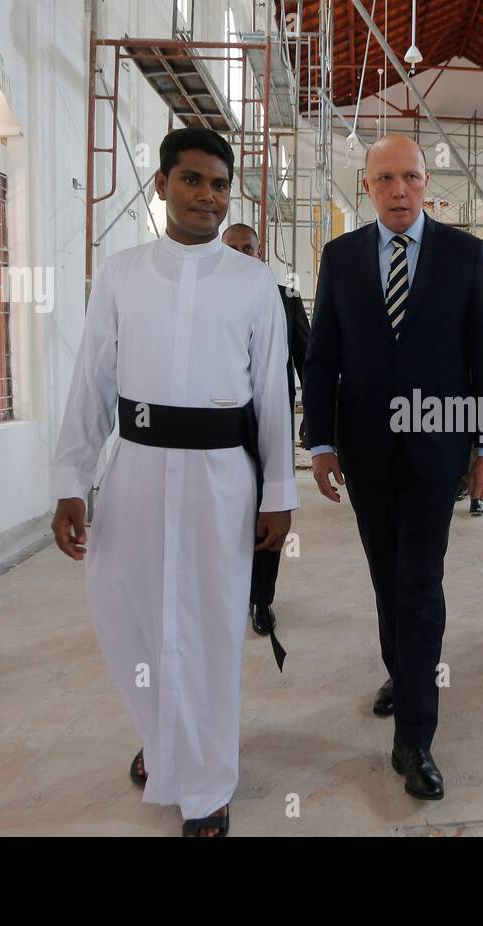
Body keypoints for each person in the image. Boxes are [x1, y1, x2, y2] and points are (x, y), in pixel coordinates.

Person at [50, 128, 297, 837]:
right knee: (129, 611)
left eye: (219, 185)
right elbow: (92, 383)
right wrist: (71, 479)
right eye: (192, 180)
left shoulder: (253, 285)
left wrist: (279, 492)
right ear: (161, 185)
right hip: (136, 471)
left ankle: (208, 783)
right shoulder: (121, 274)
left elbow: (274, 400)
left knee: (211, 628)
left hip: (223, 478)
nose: (207, 196)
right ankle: (164, 743)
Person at [303, 134, 483, 801]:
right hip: (364, 451)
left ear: (428, 186)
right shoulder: (340, 257)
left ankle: (415, 737)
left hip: (435, 449)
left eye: (410, 177)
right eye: (385, 178)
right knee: (386, 575)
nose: (398, 190)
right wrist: (321, 442)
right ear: (366, 186)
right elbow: (323, 355)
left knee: (420, 584)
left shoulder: (465, 255)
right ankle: (403, 670)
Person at [222, 223, 311, 637]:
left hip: (269, 421)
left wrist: (314, 414)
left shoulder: (286, 298)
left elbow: (308, 360)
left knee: (267, 508)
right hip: (217, 427)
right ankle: (223, 594)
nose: (241, 254)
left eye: (248, 248)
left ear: (261, 253)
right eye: (233, 248)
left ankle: (261, 599)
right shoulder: (206, 295)